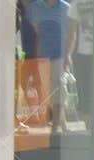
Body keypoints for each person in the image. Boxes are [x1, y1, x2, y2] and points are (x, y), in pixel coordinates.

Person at [19, 0, 76, 133]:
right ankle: (63, 125)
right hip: (42, 57)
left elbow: (71, 33)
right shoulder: (35, 8)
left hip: (59, 56)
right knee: (49, 93)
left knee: (59, 90)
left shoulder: (65, 8)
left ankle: (56, 128)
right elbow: (36, 33)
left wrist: (68, 54)